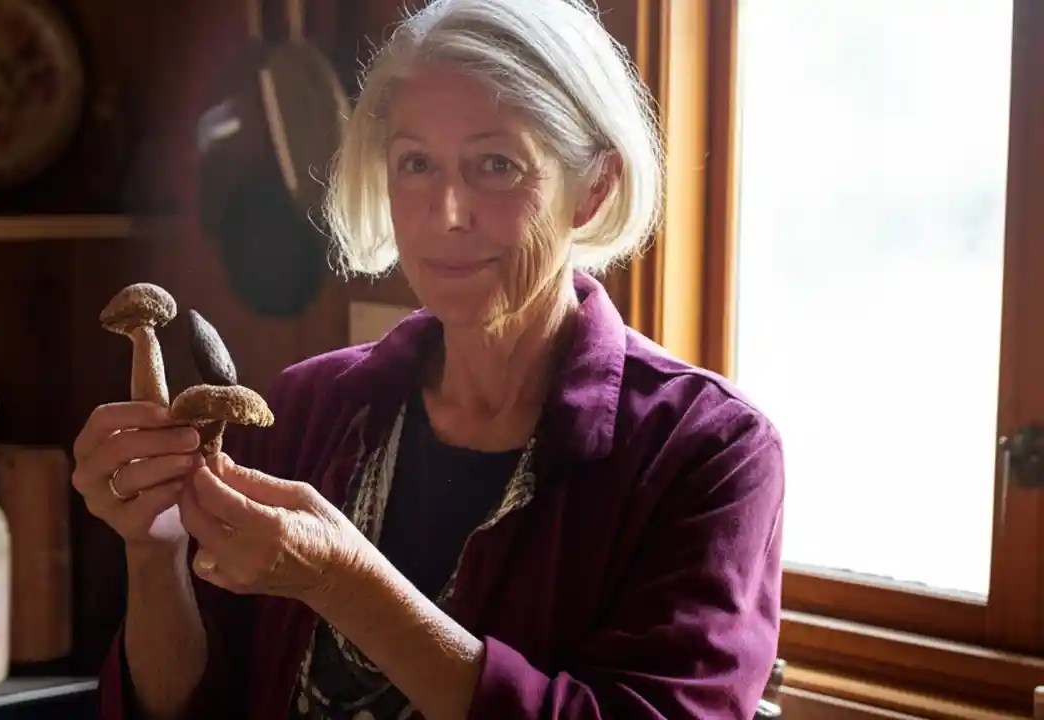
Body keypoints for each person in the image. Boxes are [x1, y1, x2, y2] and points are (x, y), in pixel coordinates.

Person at [71, 0, 785, 717]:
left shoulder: (708, 451)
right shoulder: (308, 408)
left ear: (593, 189)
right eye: (416, 163)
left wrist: (341, 581)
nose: (445, 213)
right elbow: (189, 707)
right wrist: (155, 550)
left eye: (496, 165)